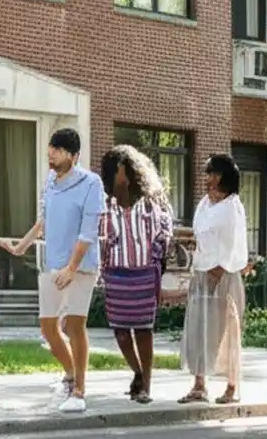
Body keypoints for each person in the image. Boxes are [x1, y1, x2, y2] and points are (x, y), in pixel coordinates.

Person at [0, 128, 102, 413]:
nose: (51, 155)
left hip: (81, 267)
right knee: (48, 328)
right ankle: (71, 374)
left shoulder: (91, 183)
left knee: (74, 325)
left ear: (74, 156)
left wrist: (71, 268)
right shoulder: (49, 181)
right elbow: (43, 221)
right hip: (52, 264)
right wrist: (20, 247)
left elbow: (88, 232)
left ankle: (79, 391)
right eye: (51, 149)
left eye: (58, 150)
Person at [98, 145, 174, 404]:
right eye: (116, 170)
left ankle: (146, 386)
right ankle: (137, 372)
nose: (121, 176)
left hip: (144, 273)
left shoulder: (151, 202)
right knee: (120, 332)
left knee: (143, 330)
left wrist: (157, 259)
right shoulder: (105, 205)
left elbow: (166, 231)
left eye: (124, 169)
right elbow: (99, 239)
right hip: (116, 275)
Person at [178, 153, 248, 405]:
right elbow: (200, 235)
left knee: (226, 331)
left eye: (212, 173)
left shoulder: (232, 206)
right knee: (198, 329)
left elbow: (233, 243)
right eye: (207, 173)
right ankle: (199, 385)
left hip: (223, 277)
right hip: (202, 273)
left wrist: (217, 272)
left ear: (223, 177)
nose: (208, 179)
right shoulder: (204, 204)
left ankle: (232, 387)